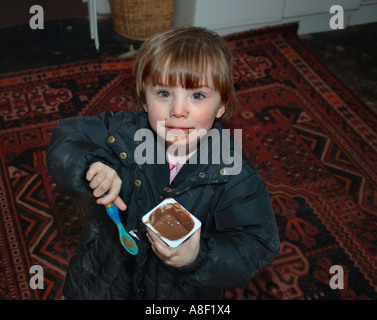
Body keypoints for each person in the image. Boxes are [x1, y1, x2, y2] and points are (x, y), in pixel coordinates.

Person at [47, 26, 280, 300]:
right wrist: (91, 165)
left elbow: (256, 243)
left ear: (222, 106)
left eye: (197, 95)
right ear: (143, 97)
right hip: (105, 277)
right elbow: (67, 137)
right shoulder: (124, 132)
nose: (178, 110)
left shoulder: (232, 172)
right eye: (164, 93)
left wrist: (199, 255)